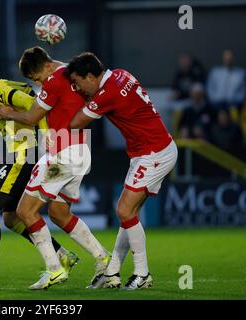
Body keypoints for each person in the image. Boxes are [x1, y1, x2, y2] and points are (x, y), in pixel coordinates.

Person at [0, 62, 79, 291]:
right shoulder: (1, 90)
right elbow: (26, 103)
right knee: (12, 219)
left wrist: (45, 135)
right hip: (23, 154)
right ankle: (62, 255)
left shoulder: (1, 91)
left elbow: (34, 104)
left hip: (22, 158)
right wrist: (2, 137)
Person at [0, 47, 110, 290]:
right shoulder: (71, 72)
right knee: (59, 213)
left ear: (45, 66)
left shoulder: (54, 81)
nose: (38, 82)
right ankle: (104, 259)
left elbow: (31, 118)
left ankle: (54, 269)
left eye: (36, 77)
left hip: (63, 154)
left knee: (25, 211)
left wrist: (9, 113)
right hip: (80, 152)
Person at [67, 52, 178, 290]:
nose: (77, 88)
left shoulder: (109, 93)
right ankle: (112, 273)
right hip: (150, 150)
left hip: (153, 152)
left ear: (90, 76)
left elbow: (75, 123)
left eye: (77, 82)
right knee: (128, 214)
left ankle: (143, 274)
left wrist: (69, 100)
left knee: (124, 210)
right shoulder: (121, 74)